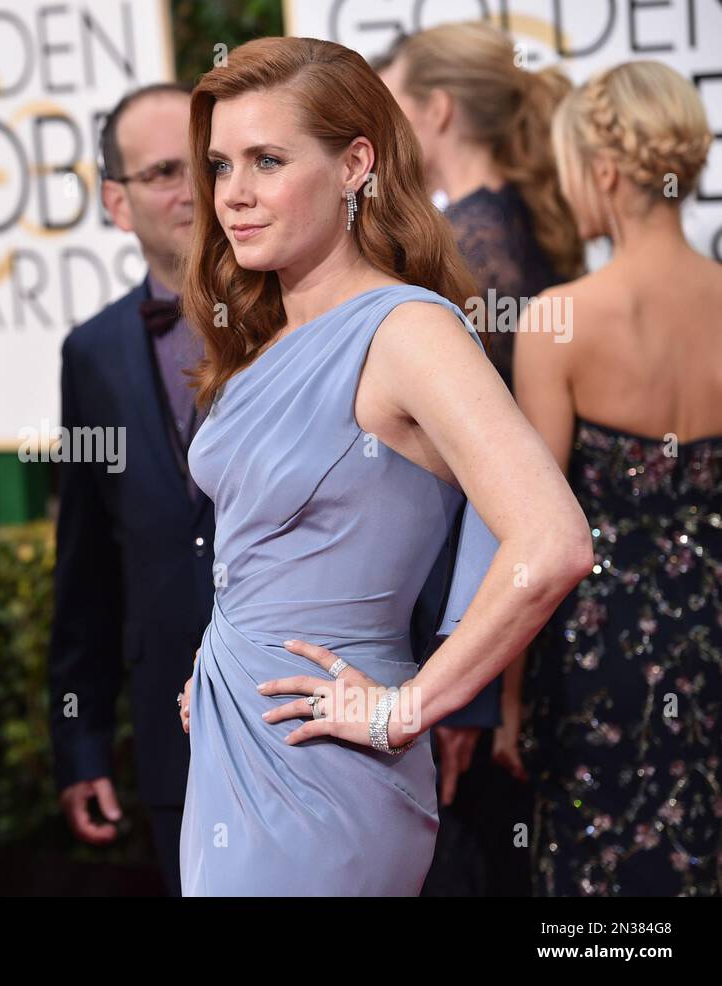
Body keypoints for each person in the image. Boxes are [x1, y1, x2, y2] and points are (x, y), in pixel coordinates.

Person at [174, 36, 592, 896]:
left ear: (356, 163)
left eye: (268, 160)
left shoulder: (407, 332)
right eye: (220, 165)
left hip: (326, 775)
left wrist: (406, 708)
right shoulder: (262, 340)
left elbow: (552, 542)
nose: (234, 195)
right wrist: (218, 666)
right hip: (233, 749)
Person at [377, 20, 585, 896]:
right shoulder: (529, 228)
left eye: (389, 111)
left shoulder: (465, 250)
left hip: (477, 638)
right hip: (520, 635)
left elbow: (487, 482)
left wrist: (458, 683)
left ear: (436, 111)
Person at [512, 60, 720, 896]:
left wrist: (512, 701)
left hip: (600, 663)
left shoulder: (559, 322)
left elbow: (535, 535)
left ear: (601, 171)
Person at [48, 82, 216, 897]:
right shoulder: (91, 353)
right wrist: (80, 741)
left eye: (206, 164)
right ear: (116, 201)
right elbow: (85, 566)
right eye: (160, 174)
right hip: (170, 740)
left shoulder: (310, 318)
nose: (192, 191)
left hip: (315, 719)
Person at [377, 22, 584, 392]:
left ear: (439, 109)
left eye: (390, 107)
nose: (380, 127)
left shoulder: (470, 241)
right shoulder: (525, 209)